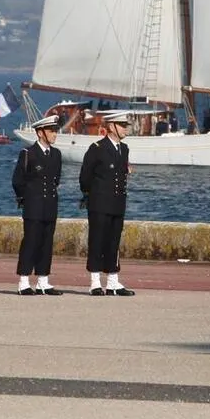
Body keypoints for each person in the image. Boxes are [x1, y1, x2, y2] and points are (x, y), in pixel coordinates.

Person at [79, 111, 134, 296]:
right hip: (99, 203)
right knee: (97, 241)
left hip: (118, 203)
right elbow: (85, 177)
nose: (126, 128)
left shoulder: (124, 149)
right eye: (122, 125)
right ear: (111, 127)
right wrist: (91, 195)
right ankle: (95, 281)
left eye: (126, 125)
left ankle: (112, 281)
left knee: (114, 242)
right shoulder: (97, 148)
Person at [12, 115, 62, 296]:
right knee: (30, 243)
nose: (55, 134)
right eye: (51, 131)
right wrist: (27, 199)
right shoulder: (28, 153)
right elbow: (18, 180)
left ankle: (43, 280)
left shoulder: (56, 154)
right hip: (33, 206)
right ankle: (23, 281)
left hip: (50, 205)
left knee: (46, 243)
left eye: (56, 130)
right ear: (40, 133)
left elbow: (56, 179)